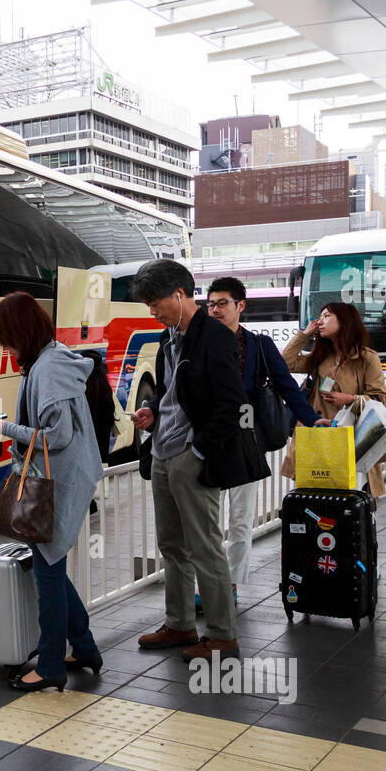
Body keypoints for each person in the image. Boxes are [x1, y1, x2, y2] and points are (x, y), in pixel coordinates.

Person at [130, 260, 269, 661]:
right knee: (171, 544)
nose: (151, 311)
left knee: (205, 545)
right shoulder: (168, 338)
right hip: (161, 450)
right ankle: (180, 623)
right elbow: (173, 392)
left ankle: (223, 635)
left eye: (155, 302)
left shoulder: (214, 337)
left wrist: (199, 451)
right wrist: (153, 411)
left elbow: (231, 403)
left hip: (191, 454)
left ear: (179, 294)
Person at [0, 292, 103, 691]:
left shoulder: (47, 368)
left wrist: (4, 429)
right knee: (51, 565)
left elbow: (57, 435)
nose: (2, 345)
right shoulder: (47, 359)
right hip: (61, 477)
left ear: (20, 331)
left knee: (48, 575)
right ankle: (83, 647)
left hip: (57, 482)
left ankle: (50, 665)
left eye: (4, 336)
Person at [205, 277, 328, 604]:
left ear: (240, 306)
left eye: (222, 304)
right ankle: (207, 584)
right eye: (211, 304)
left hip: (247, 443)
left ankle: (229, 586)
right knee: (207, 523)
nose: (215, 310)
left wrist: (312, 419)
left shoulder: (259, 345)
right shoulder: (199, 343)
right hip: (208, 444)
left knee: (241, 521)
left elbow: (287, 385)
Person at [280, 301, 386, 496]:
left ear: (345, 321)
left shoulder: (367, 358)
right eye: (320, 316)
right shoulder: (320, 356)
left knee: (347, 501)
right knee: (310, 499)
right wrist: (304, 335)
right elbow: (284, 363)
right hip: (316, 437)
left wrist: (350, 399)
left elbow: (379, 399)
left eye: (327, 316)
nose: (320, 321)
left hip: (352, 440)